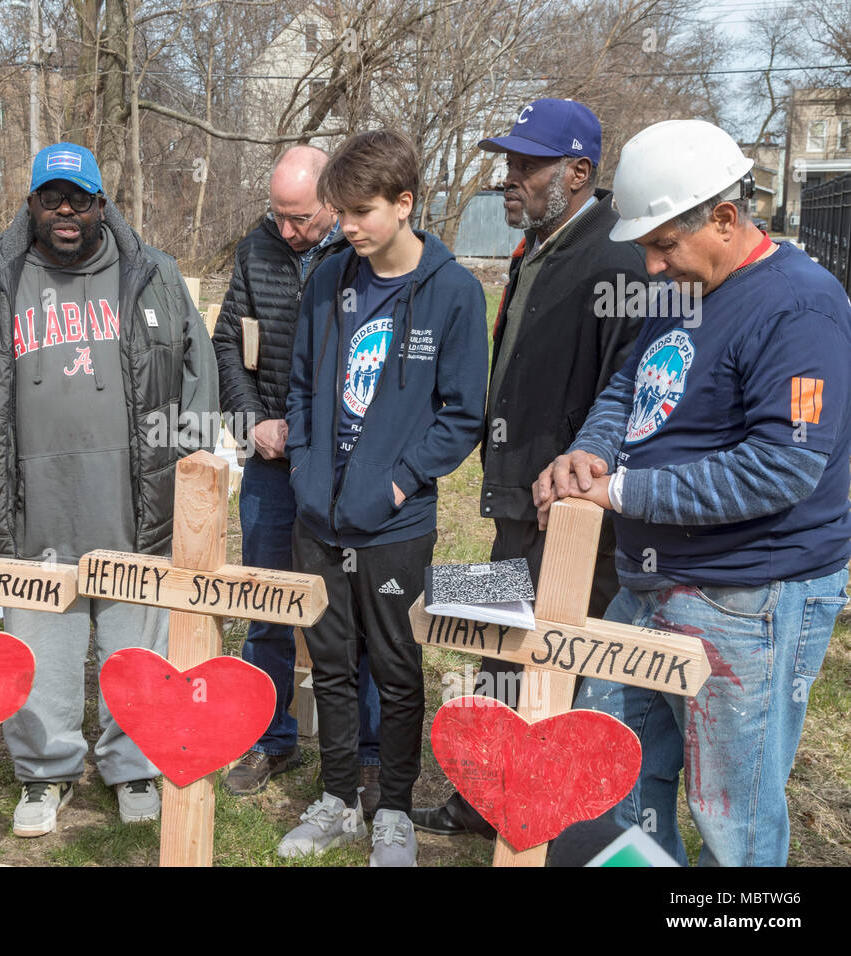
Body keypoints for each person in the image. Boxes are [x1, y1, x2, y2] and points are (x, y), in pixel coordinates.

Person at [535, 119, 851, 866]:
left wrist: (622, 490)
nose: (649, 267)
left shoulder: (802, 311)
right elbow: (629, 385)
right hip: (653, 584)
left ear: (725, 219)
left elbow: (784, 467)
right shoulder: (685, 289)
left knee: (730, 818)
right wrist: (589, 451)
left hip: (748, 596)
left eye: (663, 245)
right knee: (606, 775)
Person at [0, 142, 218, 837]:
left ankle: (134, 764)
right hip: (34, 502)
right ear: (30, 203)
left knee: (134, 636)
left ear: (101, 205)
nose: (65, 210)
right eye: (51, 197)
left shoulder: (153, 276)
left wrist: (188, 459)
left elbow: (198, 371)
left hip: (133, 499)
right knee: (39, 639)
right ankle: (45, 772)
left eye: (79, 199)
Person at [411, 98, 648, 839]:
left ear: (578, 172)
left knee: (552, 665)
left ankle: (545, 823)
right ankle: (480, 802)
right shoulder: (540, 245)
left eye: (527, 165)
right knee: (496, 642)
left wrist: (582, 484)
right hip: (517, 501)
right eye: (509, 162)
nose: (509, 178)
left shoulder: (617, 258)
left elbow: (628, 391)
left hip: (572, 517)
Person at [279, 130, 487, 866]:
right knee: (330, 665)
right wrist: (307, 471)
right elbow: (302, 387)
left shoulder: (454, 291)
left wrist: (399, 483)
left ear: (404, 204)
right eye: (340, 212)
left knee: (396, 669)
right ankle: (338, 800)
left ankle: (393, 809)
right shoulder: (331, 278)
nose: (348, 227)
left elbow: (462, 415)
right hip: (320, 514)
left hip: (397, 522)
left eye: (362, 211)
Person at [211, 145, 386, 812]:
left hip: (348, 466)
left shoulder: (370, 252)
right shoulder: (258, 250)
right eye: (278, 217)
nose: (288, 231)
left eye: (302, 219)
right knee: (266, 603)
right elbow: (230, 340)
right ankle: (269, 735)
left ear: (335, 204)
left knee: (361, 611)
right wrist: (252, 419)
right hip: (274, 465)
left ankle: (366, 753)